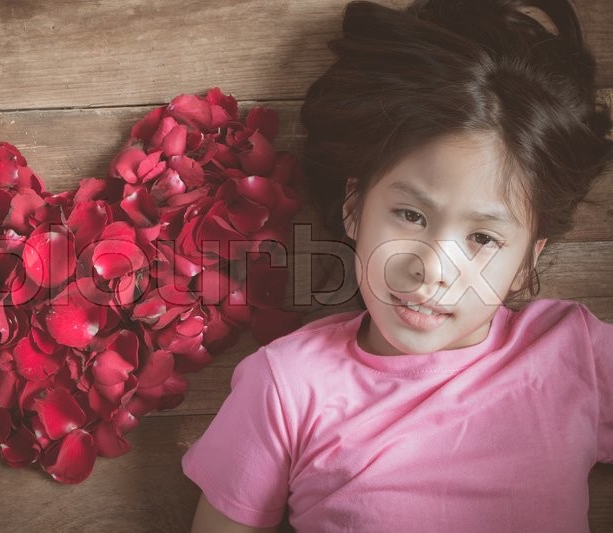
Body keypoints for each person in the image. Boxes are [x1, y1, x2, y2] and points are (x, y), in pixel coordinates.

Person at [180, 0, 613, 531]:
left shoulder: (576, 356)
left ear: (528, 260)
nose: (433, 267)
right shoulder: (289, 387)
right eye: (410, 214)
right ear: (354, 208)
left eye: (482, 237)